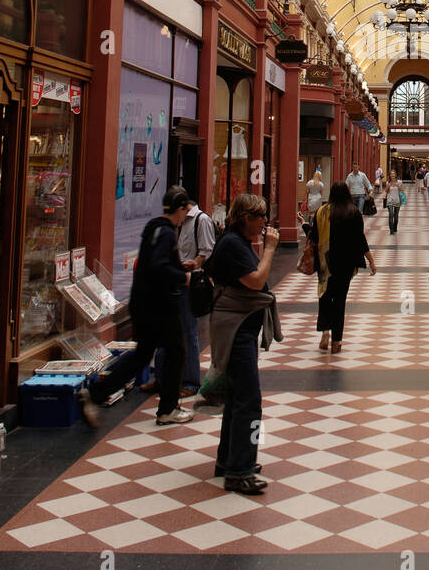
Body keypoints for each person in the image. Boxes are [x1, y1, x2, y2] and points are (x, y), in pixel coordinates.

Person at [82, 186, 192, 426]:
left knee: (142, 355)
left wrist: (177, 268)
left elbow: (153, 264)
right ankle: (168, 408)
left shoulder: (153, 227)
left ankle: (96, 393)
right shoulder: (165, 233)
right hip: (159, 305)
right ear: (180, 208)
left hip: (143, 304)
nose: (186, 214)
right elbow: (158, 267)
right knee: (176, 351)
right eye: (185, 209)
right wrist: (181, 276)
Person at [206, 193, 281, 494]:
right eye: (260, 216)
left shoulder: (235, 242)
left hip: (240, 328)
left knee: (238, 399)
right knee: (251, 402)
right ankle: (240, 470)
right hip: (237, 331)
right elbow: (256, 280)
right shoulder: (234, 244)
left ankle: (229, 460)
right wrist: (271, 248)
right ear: (245, 218)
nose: (265, 221)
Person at [149, 198, 215, 399]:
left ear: (181, 208)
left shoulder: (201, 220)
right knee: (165, 328)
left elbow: (207, 249)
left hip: (189, 283)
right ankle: (160, 378)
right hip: (172, 280)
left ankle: (191, 382)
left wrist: (193, 264)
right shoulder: (176, 223)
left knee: (188, 331)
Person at [309, 181, 376, 353]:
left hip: (325, 262)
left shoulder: (321, 212)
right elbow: (360, 239)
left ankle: (325, 331)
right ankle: (336, 341)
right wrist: (371, 260)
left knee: (324, 296)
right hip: (345, 264)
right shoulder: (352, 212)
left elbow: (314, 237)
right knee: (340, 300)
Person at [385, 170, 403, 234]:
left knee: (396, 217)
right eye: (391, 174)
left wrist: (398, 186)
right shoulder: (388, 183)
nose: (392, 176)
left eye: (393, 174)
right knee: (391, 214)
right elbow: (386, 191)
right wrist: (388, 187)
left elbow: (402, 189)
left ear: (395, 175)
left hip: (397, 200)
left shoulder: (399, 182)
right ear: (390, 175)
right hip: (389, 200)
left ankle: (395, 227)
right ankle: (391, 230)